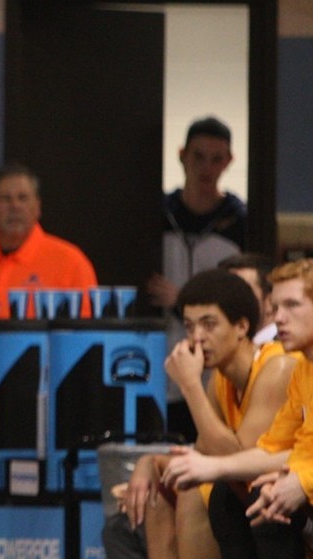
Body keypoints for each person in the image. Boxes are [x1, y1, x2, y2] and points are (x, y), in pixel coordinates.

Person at [0, 162, 98, 559]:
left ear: (38, 206)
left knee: (41, 511)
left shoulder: (69, 261)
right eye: (4, 199)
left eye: (23, 198)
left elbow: (91, 341)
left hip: (47, 408)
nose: (14, 207)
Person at [99, 269, 295, 559]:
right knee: (160, 487)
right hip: (242, 492)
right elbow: (204, 453)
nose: (197, 338)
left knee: (198, 492)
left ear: (241, 327)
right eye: (189, 327)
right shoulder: (221, 380)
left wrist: (190, 385)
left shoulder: (276, 366)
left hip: (280, 489)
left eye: (209, 325)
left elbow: (236, 461)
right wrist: (150, 463)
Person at [161, 259, 313, 558]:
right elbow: (273, 449)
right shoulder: (303, 372)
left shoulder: (281, 365)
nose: (278, 318)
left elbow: (240, 451)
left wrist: (301, 480)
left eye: (292, 305)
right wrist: (208, 467)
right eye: (276, 307)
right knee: (229, 496)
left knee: (262, 496)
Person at [148, 116, 247, 442]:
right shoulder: (158, 215)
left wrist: (183, 301)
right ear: (181, 155)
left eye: (217, 159)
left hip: (216, 366)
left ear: (229, 162)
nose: (206, 168)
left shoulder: (240, 223)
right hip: (160, 357)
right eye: (198, 157)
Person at [218, 252, 277, 345]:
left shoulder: (286, 352)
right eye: (225, 292)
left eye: (241, 291)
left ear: (270, 302)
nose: (230, 300)